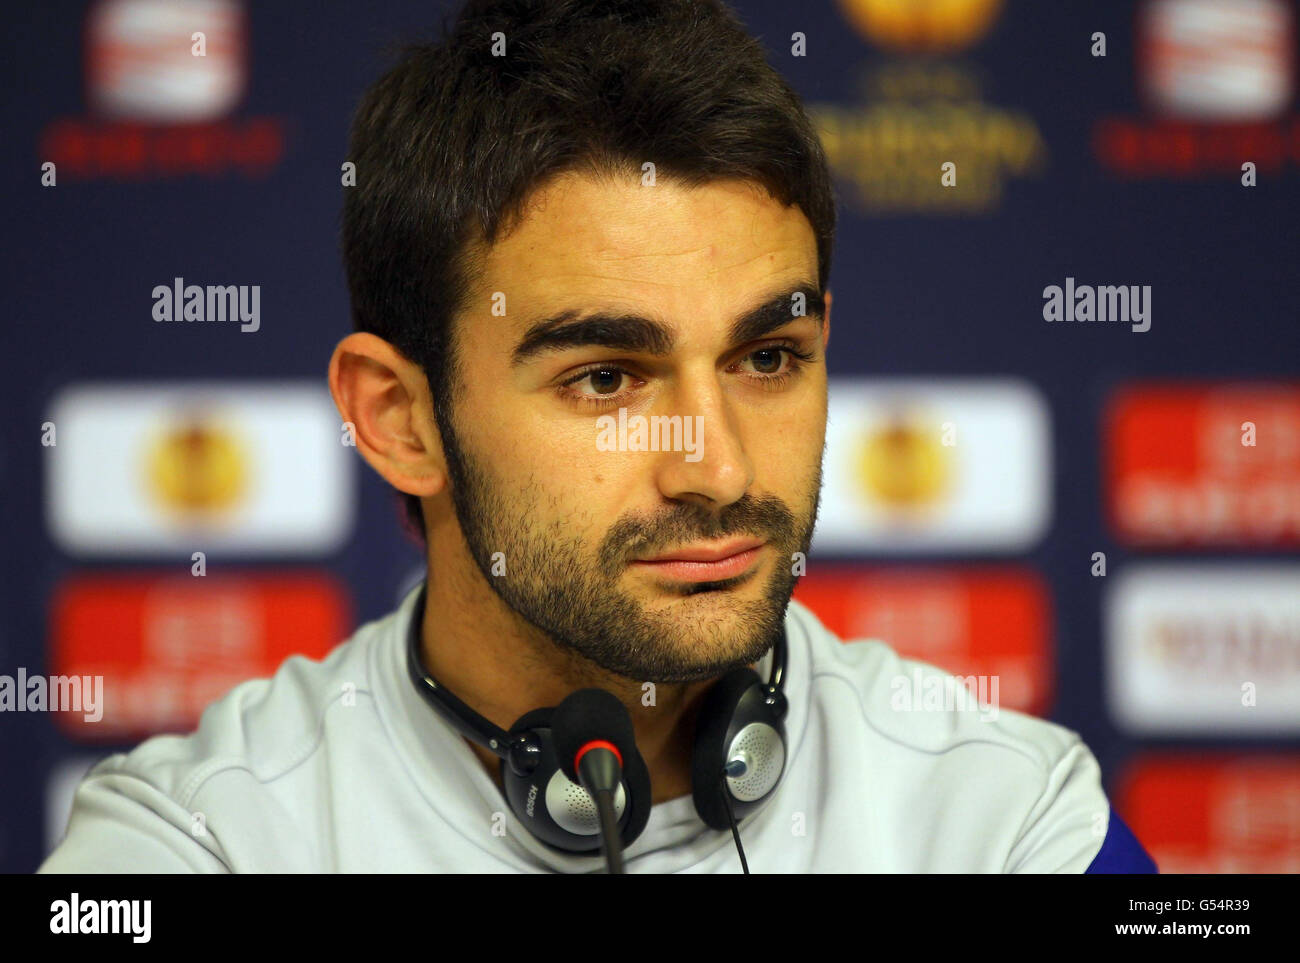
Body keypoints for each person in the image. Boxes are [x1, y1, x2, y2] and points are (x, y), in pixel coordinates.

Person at [40, 0, 1154, 873]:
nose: (715, 467)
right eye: (608, 378)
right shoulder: (200, 843)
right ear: (398, 418)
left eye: (768, 358)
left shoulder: (1011, 821)